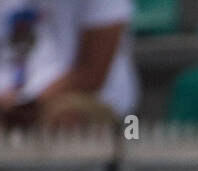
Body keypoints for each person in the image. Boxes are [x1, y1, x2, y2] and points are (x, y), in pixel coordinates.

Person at [0, 1, 138, 131]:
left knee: (65, 116)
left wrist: (28, 102)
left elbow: (91, 75)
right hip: (17, 101)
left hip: (85, 99)